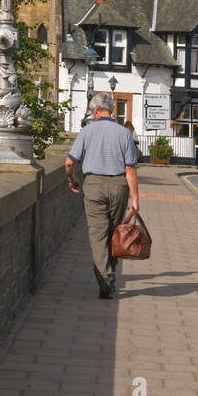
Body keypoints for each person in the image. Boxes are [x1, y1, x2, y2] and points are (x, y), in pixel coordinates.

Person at [65, 91, 139, 299]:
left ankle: (105, 276)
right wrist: (135, 198)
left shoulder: (86, 132)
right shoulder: (124, 133)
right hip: (118, 187)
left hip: (94, 186)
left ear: (95, 111)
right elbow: (130, 169)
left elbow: (69, 162)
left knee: (98, 235)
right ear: (112, 110)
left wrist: (72, 179)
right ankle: (109, 272)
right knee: (114, 233)